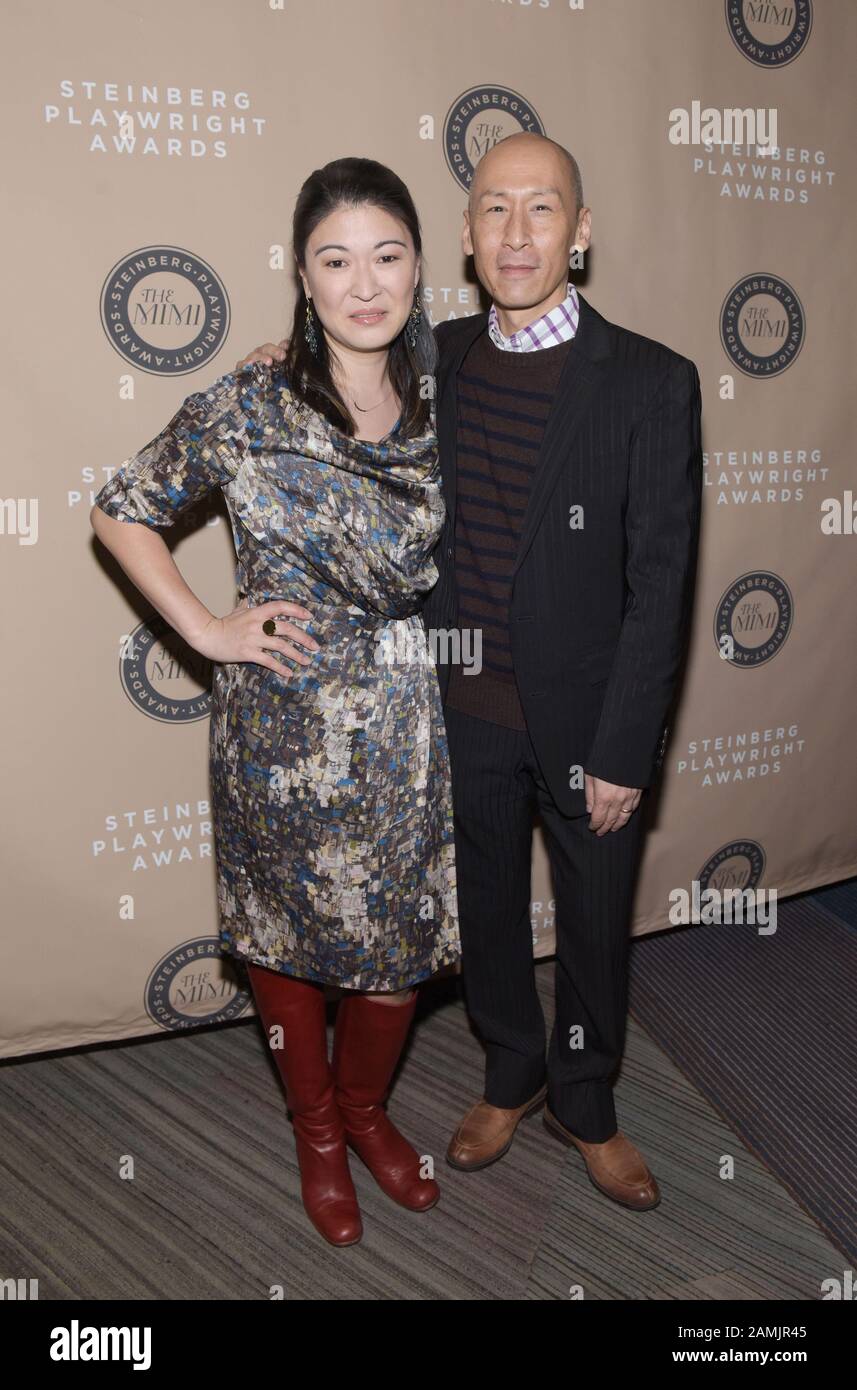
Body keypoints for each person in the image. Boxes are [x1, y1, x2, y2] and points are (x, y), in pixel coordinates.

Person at [239, 131, 703, 1212]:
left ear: (578, 233)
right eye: (493, 208)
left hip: (591, 724)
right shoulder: (425, 362)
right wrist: (281, 358)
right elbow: (337, 376)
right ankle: (513, 1070)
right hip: (454, 713)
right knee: (485, 914)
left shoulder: (650, 382)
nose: (515, 231)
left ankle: (586, 1100)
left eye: (542, 209)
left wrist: (627, 747)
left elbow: (662, 586)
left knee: (591, 926)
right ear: (462, 234)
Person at [90, 157, 461, 1247]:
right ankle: (313, 1131)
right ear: (301, 276)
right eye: (334, 260)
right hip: (278, 725)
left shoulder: (448, 387)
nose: (363, 283)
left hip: (402, 726)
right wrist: (206, 630)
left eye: (386, 256)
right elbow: (121, 508)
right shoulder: (250, 401)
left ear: (418, 268)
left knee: (397, 954)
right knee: (285, 945)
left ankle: (365, 1113)